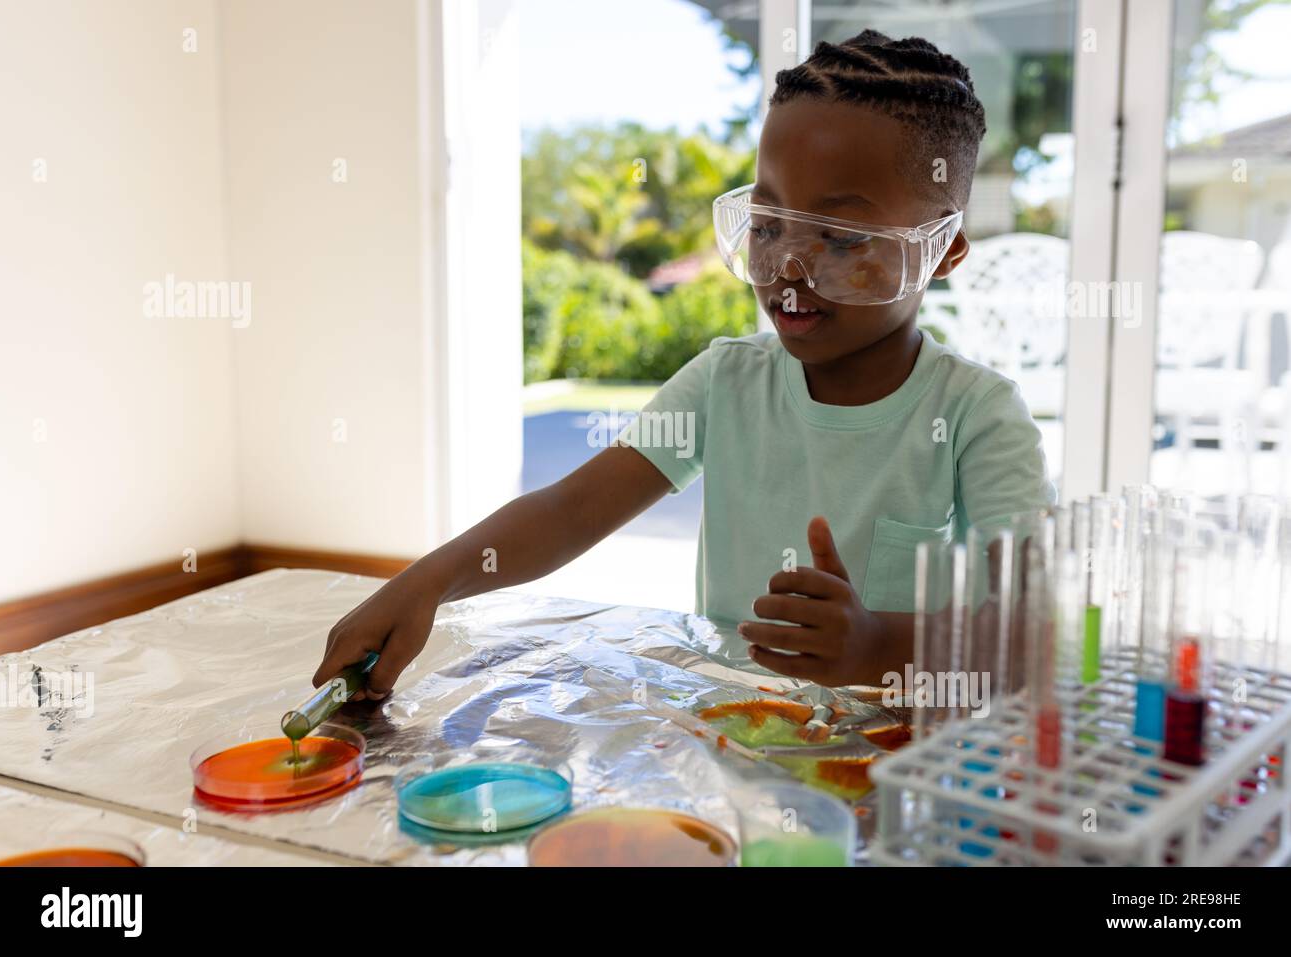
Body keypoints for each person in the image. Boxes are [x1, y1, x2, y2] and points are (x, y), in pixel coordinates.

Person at [313, 29, 1055, 697]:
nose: (788, 265)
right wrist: (427, 582)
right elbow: (570, 511)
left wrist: (876, 644)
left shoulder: (974, 417)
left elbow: (1030, 630)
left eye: (839, 238)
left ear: (943, 251)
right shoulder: (726, 384)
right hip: (741, 736)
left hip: (898, 760)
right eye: (767, 225)